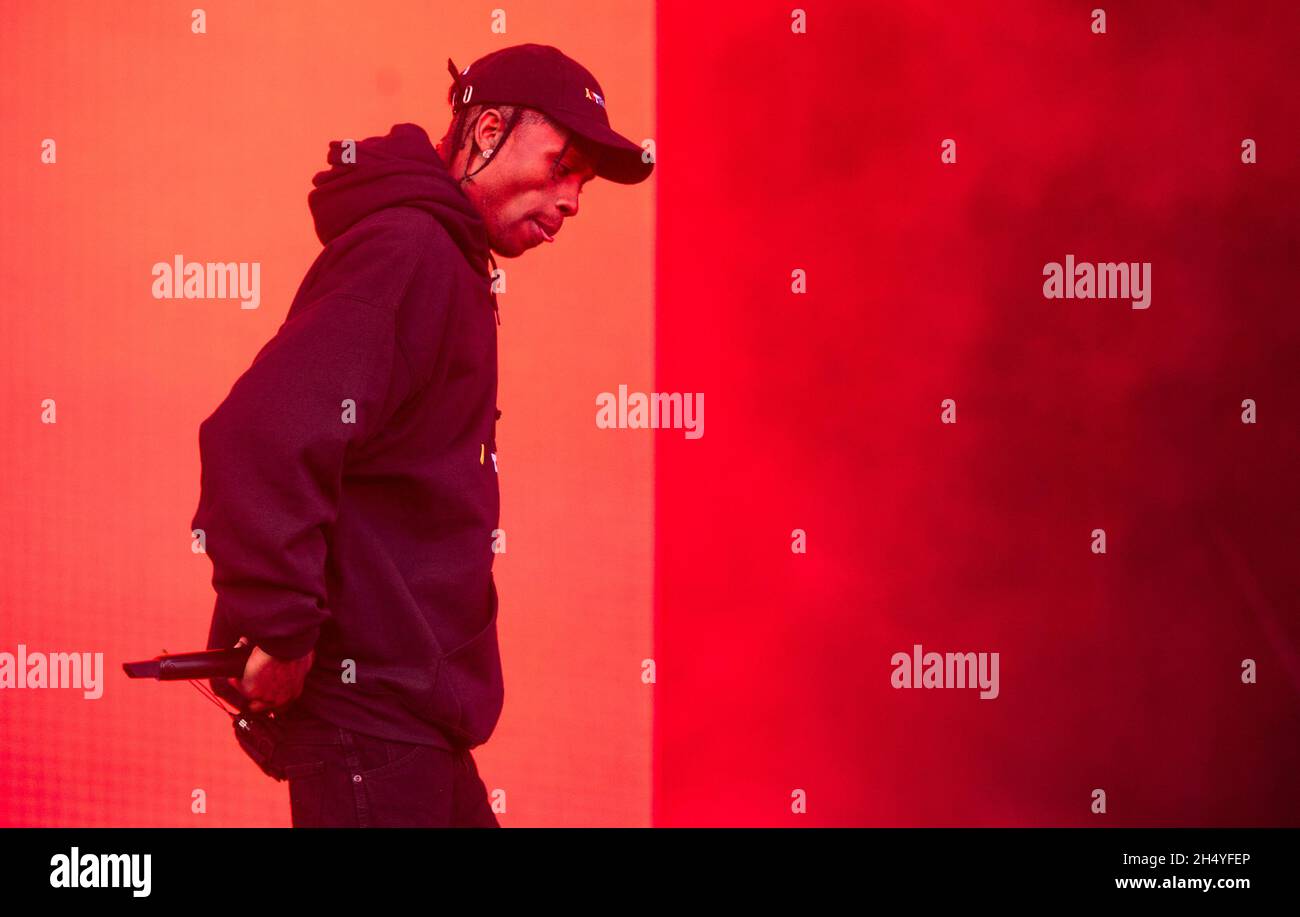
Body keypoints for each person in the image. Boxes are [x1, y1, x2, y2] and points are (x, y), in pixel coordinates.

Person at [189, 43, 653, 827]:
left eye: (585, 183)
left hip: (409, 729)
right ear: (487, 131)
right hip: (371, 729)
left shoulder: (443, 258)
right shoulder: (410, 252)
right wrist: (281, 623)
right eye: (563, 164)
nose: (573, 199)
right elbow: (261, 430)